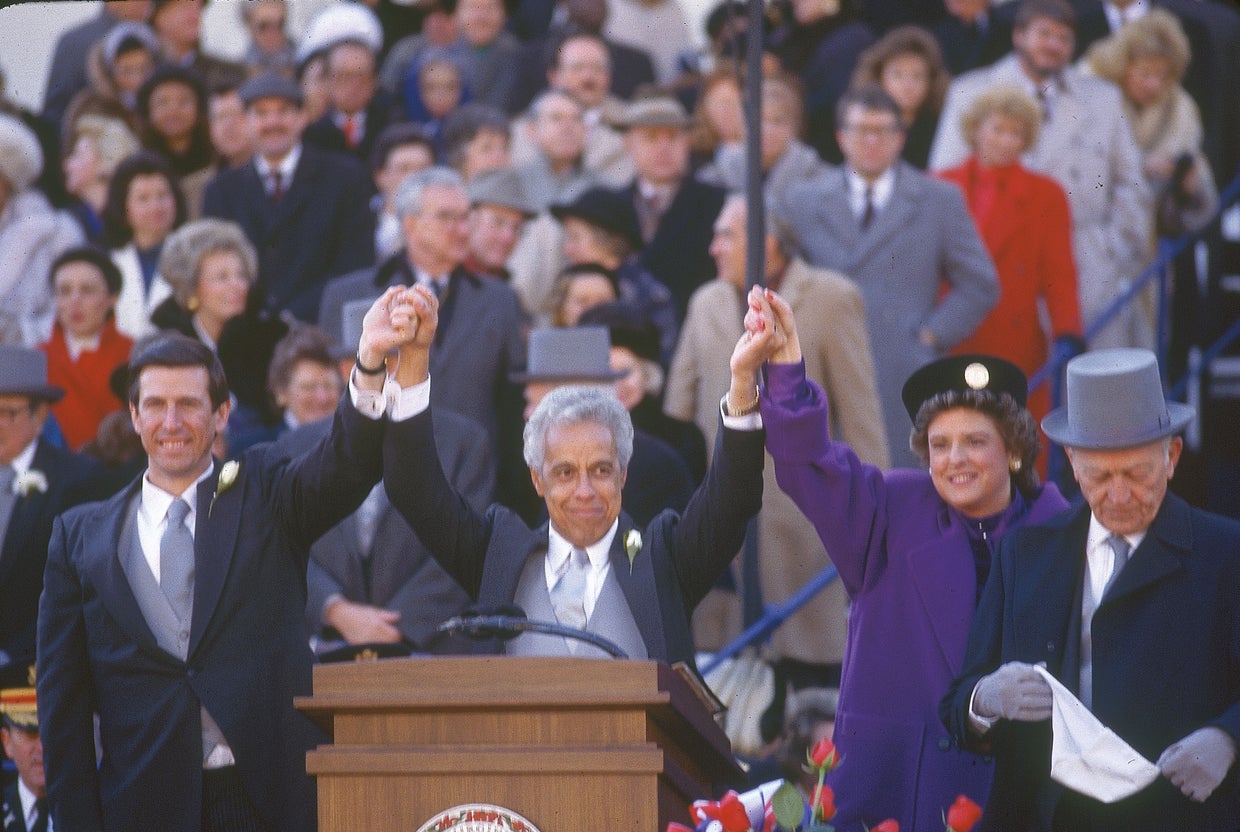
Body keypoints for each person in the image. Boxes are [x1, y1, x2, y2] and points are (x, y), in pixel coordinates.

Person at [36, 290, 420, 830]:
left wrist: (370, 364)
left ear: (221, 414)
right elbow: (64, 707)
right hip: (141, 807)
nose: (172, 421)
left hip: (264, 802)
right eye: (156, 405)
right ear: (133, 414)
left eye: (190, 404)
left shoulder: (265, 492)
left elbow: (346, 465)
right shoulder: (80, 537)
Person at [756, 288, 1070, 831]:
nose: (955, 460)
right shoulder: (889, 512)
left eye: (975, 441)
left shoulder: (1058, 532)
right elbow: (809, 464)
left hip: (1010, 801)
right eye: (940, 445)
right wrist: (786, 373)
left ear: (1014, 450)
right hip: (892, 790)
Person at [379, 285, 769, 666]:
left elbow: (731, 501)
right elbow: (414, 488)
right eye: (564, 473)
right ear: (537, 480)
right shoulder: (499, 558)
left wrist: (742, 383)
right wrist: (412, 361)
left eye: (600, 470)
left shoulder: (661, 561)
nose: (585, 491)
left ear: (623, 475)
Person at [941, 348, 1240, 831]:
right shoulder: (1024, 553)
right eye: (1099, 476)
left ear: (1172, 458)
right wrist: (986, 697)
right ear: (1073, 465)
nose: (1118, 495)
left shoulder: (1228, 553)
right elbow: (958, 704)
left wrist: (1228, 739)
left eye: (1137, 474)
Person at [666, 195, 888, 685]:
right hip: (723, 520)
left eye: (726, 235)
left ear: (765, 244)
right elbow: (677, 409)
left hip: (803, 527)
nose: (713, 246)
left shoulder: (831, 297)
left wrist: (874, 517)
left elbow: (862, 418)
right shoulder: (704, 302)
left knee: (809, 679)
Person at [781, 85, 998, 468]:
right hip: (823, 371)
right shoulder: (803, 200)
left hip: (902, 368)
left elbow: (980, 283)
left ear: (900, 138)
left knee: (898, 486)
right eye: (860, 130)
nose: (871, 141)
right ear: (840, 137)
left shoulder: (938, 200)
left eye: (882, 131)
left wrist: (929, 336)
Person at [930, 0, 1151, 351]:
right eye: (1043, 34)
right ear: (1018, 36)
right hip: (1001, 267)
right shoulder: (971, 91)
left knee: (1091, 390)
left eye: (1063, 37)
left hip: (1088, 265)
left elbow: (1133, 183)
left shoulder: (1103, 99)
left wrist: (1112, 250)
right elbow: (943, 188)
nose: (1053, 45)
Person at [935, 84, 1081, 449]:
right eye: (997, 128)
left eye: (1015, 132)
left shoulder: (1046, 194)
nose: (1004, 140)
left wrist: (1068, 330)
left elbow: (1059, 271)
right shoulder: (940, 185)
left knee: (1017, 447)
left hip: (1015, 341)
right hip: (952, 335)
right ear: (976, 130)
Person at [202, 71, 374, 324]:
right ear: (246, 121)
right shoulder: (221, 190)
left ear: (302, 118)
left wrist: (292, 316)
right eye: (261, 113)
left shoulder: (345, 178)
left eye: (283, 111)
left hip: (322, 327)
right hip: (246, 334)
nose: (273, 122)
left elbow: (354, 265)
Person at [0, 346, 103, 667]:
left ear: (40, 416)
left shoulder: (76, 481)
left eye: (7, 413)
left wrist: (11, 657)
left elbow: (80, 594)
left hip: (35, 671)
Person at [614, 97, 728, 319]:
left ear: (687, 142)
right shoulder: (613, 205)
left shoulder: (717, 203)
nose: (663, 148)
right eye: (651, 138)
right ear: (629, 144)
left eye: (673, 137)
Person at [39, 247, 135, 451]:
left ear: (113, 298)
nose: (75, 301)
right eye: (64, 291)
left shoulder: (134, 354)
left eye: (87, 290)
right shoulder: (35, 358)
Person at [0, 115, 83, 346]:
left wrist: (14, 332)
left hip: (30, 369)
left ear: (8, 180)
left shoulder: (55, 234)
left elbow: (72, 314)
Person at [103, 151, 187, 340]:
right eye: (143, 198)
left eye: (163, 195)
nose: (156, 206)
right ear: (123, 206)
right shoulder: (110, 261)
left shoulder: (192, 255)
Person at [851, 26, 951, 169]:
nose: (907, 85)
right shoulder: (863, 121)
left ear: (931, 82)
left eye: (917, 76)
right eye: (897, 75)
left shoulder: (942, 126)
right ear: (880, 77)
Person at [136, 67, 216, 219]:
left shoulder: (217, 159)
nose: (173, 110)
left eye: (184, 101)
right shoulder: (139, 164)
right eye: (163, 102)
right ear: (148, 111)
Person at [62, 115, 142, 245]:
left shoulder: (134, 224)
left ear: (105, 163)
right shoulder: (67, 224)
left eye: (77, 155)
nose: (67, 165)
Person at [1, 661, 48, 832]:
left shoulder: (97, 813)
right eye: (31, 734)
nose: (42, 748)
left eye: (50, 735)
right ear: (6, 741)